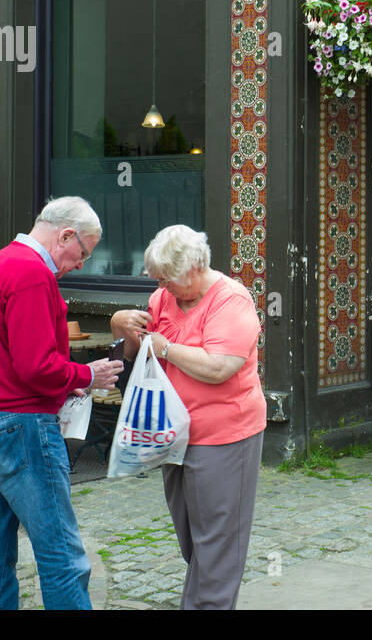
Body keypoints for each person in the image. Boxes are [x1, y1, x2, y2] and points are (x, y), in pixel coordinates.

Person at [0, 196, 125, 610]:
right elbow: (35, 366)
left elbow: (3, 355)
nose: (82, 263)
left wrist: (69, 379)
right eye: (83, 252)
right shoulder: (32, 274)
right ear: (65, 235)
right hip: (20, 424)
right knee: (61, 555)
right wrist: (87, 375)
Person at [111, 226, 265, 610]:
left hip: (225, 435)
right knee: (192, 536)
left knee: (218, 542)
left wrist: (166, 347)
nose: (162, 286)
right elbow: (134, 355)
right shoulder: (164, 297)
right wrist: (121, 327)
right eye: (158, 278)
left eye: (167, 278)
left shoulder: (231, 300)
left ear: (195, 267)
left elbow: (219, 368)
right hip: (173, 434)